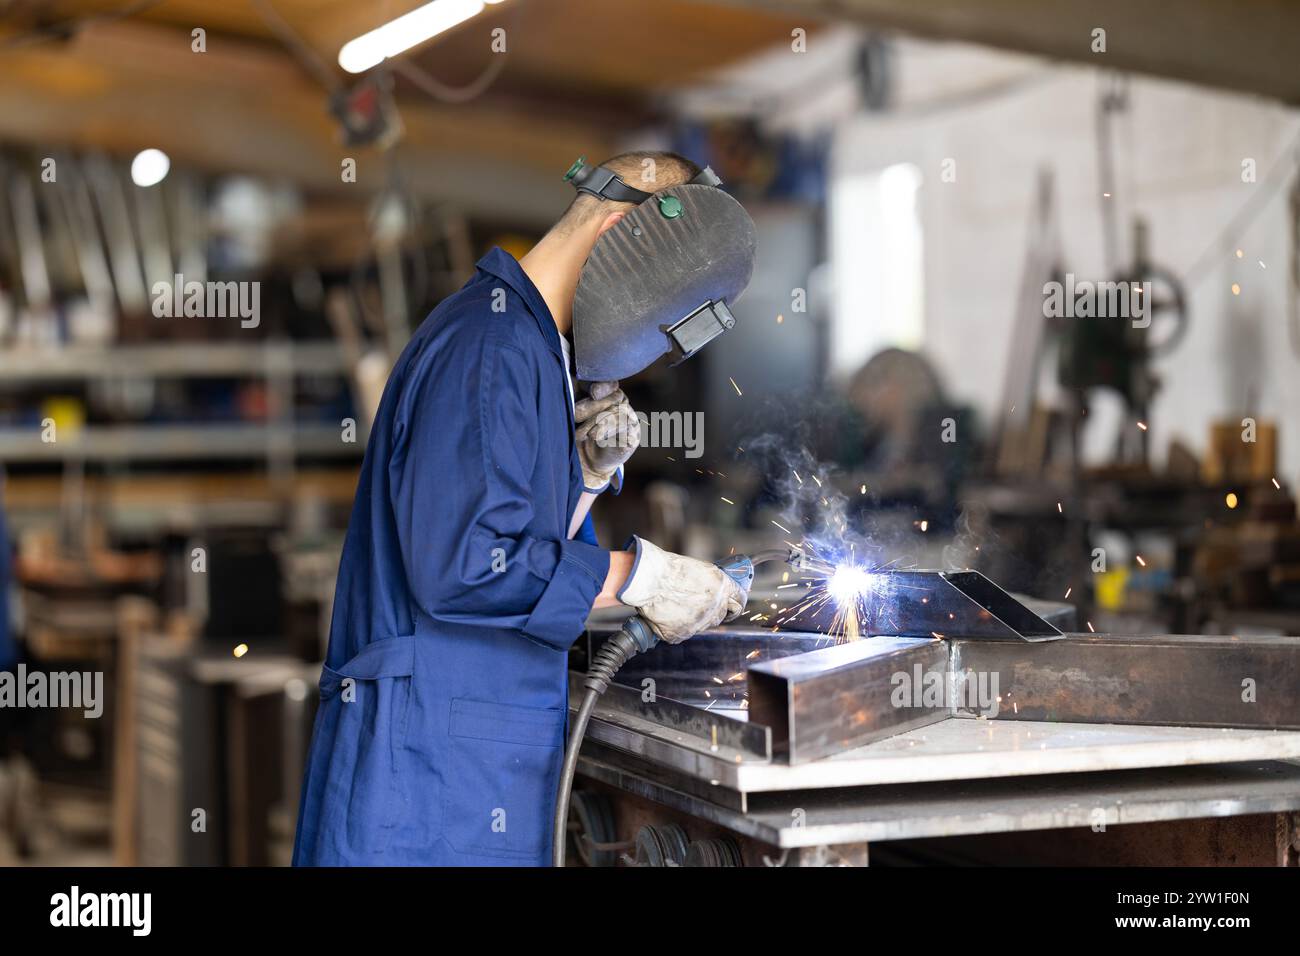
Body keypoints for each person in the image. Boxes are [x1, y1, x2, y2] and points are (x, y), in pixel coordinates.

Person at [293, 151, 758, 865]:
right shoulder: (492, 347)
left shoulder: (530, 349)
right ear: (613, 235)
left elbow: (513, 543)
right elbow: (465, 564)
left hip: (461, 769)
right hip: (425, 787)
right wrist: (639, 576)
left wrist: (582, 477)